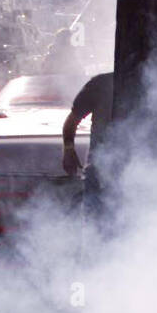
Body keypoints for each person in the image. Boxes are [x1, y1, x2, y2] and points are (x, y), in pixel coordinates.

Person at [62, 71, 113, 217]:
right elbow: (73, 120)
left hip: (133, 170)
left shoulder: (147, 84)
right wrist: (68, 149)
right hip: (98, 168)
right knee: (95, 219)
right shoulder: (101, 84)